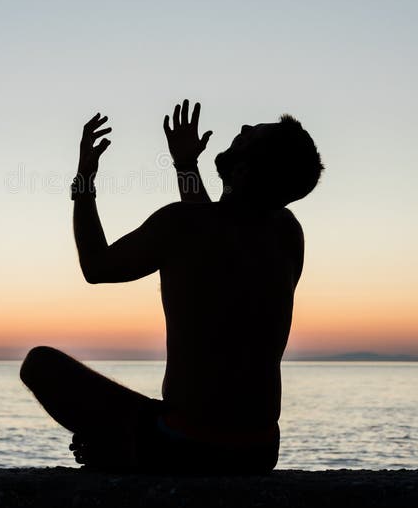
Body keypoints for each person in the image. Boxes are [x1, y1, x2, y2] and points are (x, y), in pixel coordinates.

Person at [20, 100, 323, 474]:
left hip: (187, 445)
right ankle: (121, 443)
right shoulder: (288, 234)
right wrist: (185, 167)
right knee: (143, 417)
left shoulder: (181, 224)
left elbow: (96, 266)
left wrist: (85, 179)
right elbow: (218, 235)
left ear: (243, 170)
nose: (243, 128)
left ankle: (120, 449)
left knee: (39, 364)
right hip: (259, 450)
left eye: (250, 135)